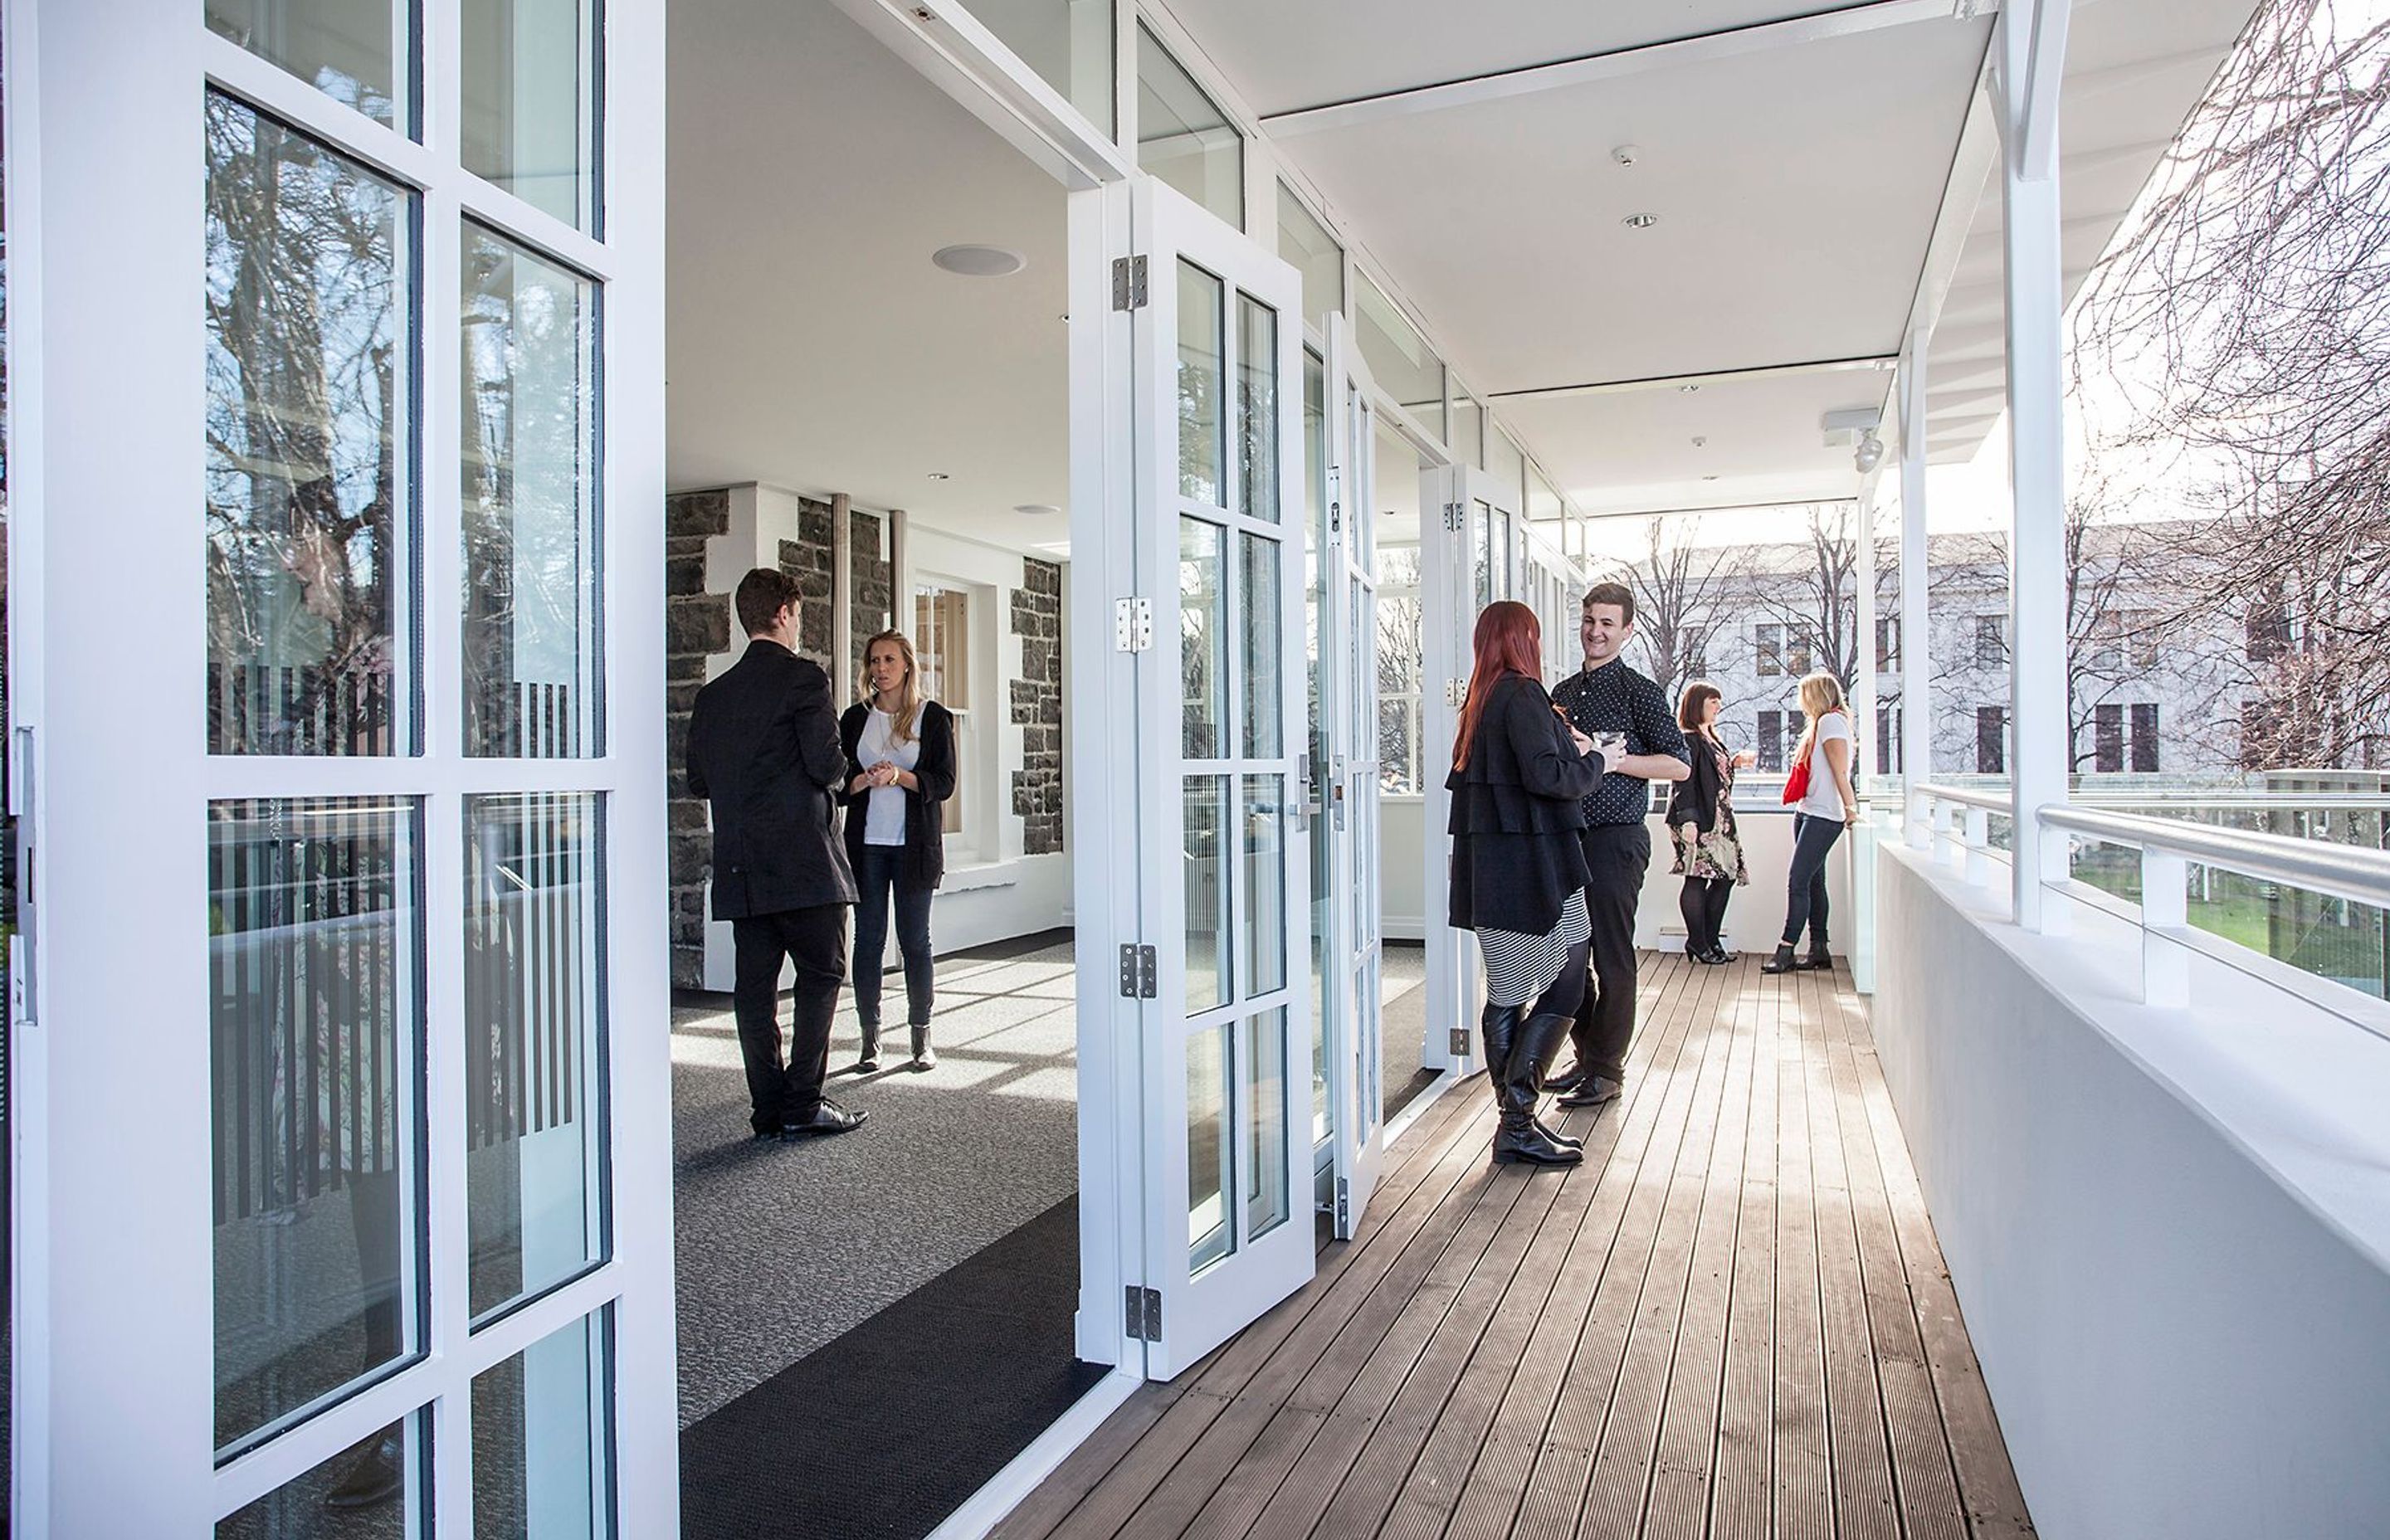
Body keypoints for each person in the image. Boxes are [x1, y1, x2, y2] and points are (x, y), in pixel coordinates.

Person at [685, 568, 867, 1140]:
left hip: (742, 865)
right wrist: (843, 776)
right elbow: (827, 766)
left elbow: (697, 780)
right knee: (821, 975)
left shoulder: (712, 697)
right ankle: (803, 1102)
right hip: (806, 864)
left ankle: (768, 1109)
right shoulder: (803, 679)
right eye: (798, 615)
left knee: (754, 991)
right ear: (786, 614)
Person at [1447, 600, 1615, 1166]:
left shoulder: (1483, 699)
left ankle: (1515, 1123)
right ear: (1524, 641)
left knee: (1525, 987)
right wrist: (1601, 762)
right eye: (1535, 637)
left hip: (1506, 871)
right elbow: (1550, 776)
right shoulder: (1519, 693)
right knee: (1549, 984)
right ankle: (1516, 1123)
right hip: (1529, 872)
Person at [1547, 582, 1691, 1109]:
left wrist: (1610, 758)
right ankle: (1588, 1057)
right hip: (1566, 841)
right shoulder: (1560, 693)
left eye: (1608, 623)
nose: (1595, 631)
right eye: (1589, 620)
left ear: (1626, 631)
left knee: (1611, 955)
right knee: (1565, 957)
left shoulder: (1640, 693)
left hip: (1616, 840)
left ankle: (1607, 1071)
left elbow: (1678, 763)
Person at [838, 630, 956, 1073]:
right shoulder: (854, 719)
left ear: (907, 665)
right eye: (874, 661)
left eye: (889, 660)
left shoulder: (933, 717)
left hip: (914, 848)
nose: (880, 669)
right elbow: (838, 787)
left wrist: (900, 778)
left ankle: (921, 1038)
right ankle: (870, 1041)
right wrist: (865, 780)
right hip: (866, 847)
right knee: (867, 942)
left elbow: (943, 783)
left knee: (915, 942)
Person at [1763, 670, 1861, 975]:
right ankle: (1820, 949)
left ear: (1817, 695)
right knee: (1815, 883)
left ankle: (1786, 949)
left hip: (1824, 814)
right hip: (1809, 810)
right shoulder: (1823, 724)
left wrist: (1850, 808)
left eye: (1805, 695)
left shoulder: (1831, 722)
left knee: (1798, 881)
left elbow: (1839, 770)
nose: (1801, 702)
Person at [1666, 680, 1754, 965]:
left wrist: (1735, 763)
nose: (1718, 707)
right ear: (1697, 705)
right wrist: (1688, 820)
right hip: (1698, 818)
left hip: (1721, 819)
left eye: (1718, 702)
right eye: (1712, 702)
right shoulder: (1688, 738)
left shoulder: (1709, 736)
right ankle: (1699, 942)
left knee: (1725, 878)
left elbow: (1714, 773)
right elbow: (1684, 782)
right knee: (1697, 877)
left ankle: (1709, 940)